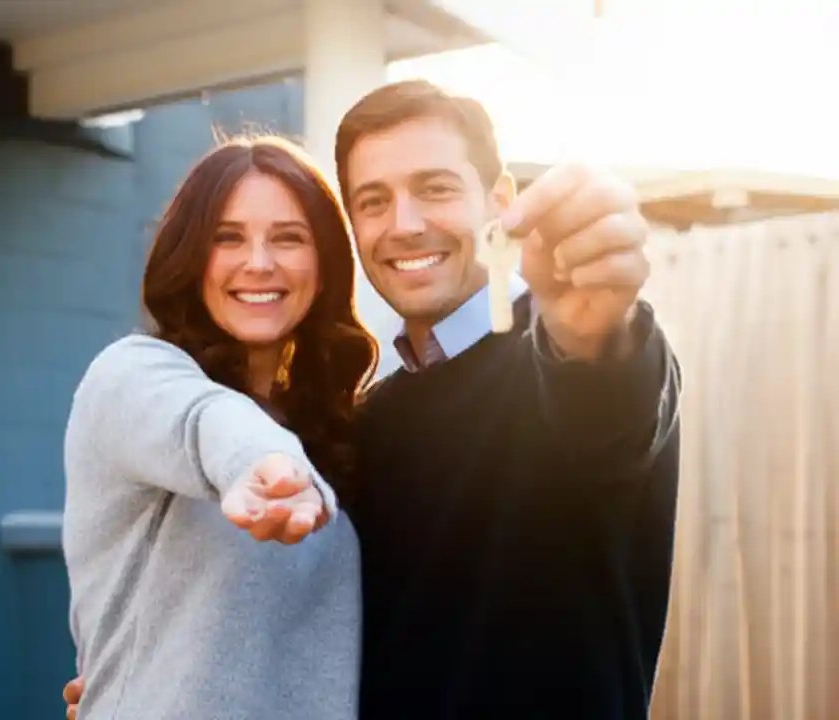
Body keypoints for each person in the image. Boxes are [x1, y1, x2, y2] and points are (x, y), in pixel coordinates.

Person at [65, 79, 681, 720]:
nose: (406, 225)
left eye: (435, 188)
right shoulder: (363, 423)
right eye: (374, 201)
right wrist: (138, 675)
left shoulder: (567, 354)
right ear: (353, 232)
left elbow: (608, 411)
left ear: (499, 203)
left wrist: (593, 328)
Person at [62, 135, 378, 719]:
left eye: (289, 238)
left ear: (325, 263)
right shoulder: (131, 376)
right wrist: (261, 468)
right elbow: (205, 424)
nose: (259, 262)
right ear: (189, 255)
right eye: (226, 237)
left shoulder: (334, 431)